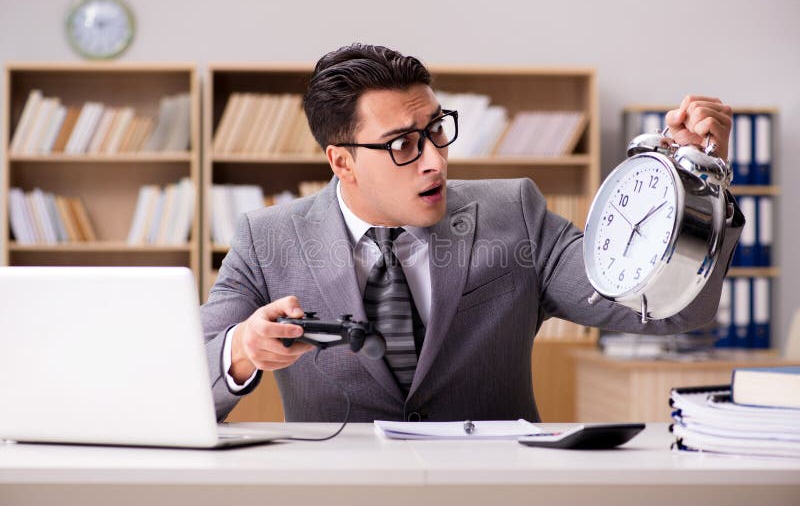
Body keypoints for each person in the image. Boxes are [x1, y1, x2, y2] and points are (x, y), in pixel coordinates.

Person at [201, 43, 743, 423]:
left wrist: (691, 185)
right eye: (402, 145)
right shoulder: (266, 239)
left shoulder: (515, 212)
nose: (435, 160)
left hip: (494, 489)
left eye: (436, 129)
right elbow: (186, 377)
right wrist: (242, 351)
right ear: (341, 161)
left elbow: (674, 309)